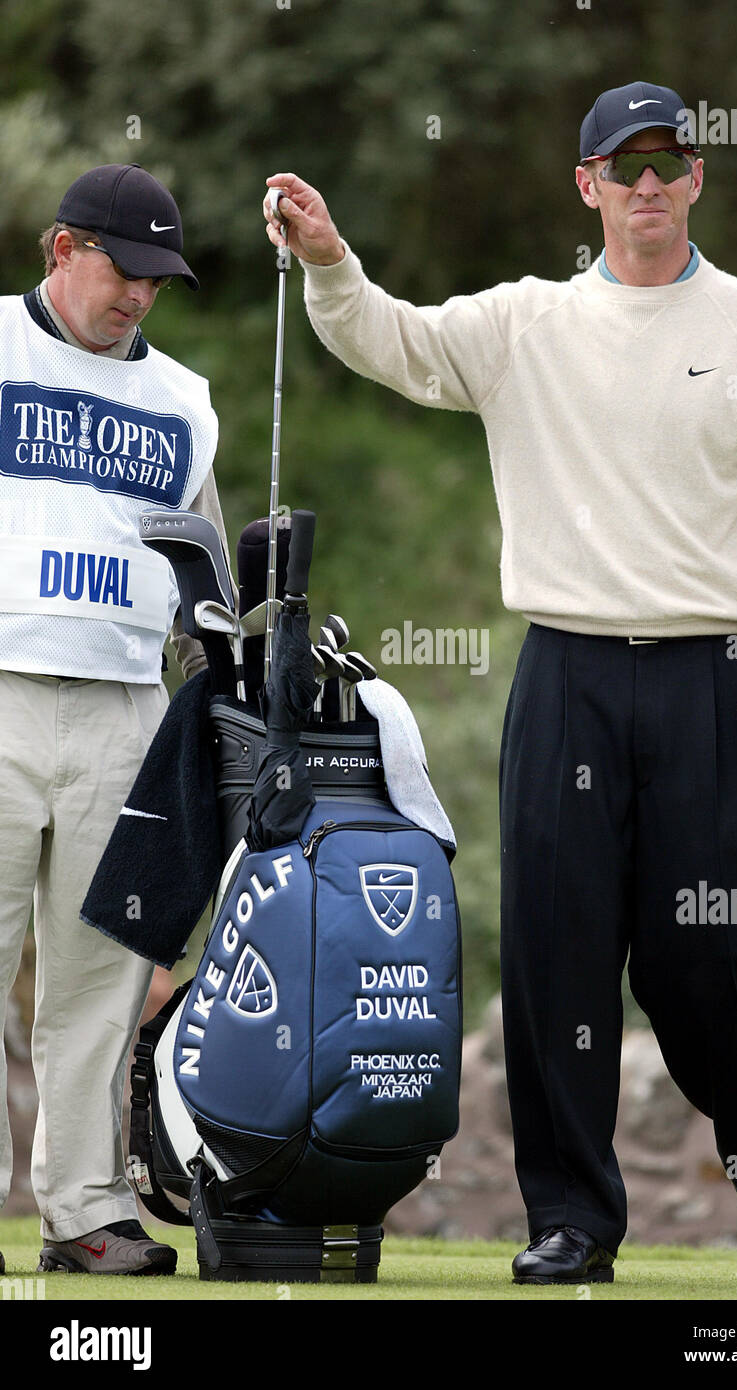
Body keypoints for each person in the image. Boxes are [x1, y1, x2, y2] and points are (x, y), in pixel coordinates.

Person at [261, 79, 737, 1285]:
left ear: (696, 177)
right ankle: (572, 1218)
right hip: (566, 673)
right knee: (555, 954)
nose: (647, 183)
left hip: (717, 680)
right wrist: (326, 260)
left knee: (720, 953)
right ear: (587, 186)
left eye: (666, 161)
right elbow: (390, 338)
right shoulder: (524, 323)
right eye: (623, 166)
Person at [0, 163, 233, 1276]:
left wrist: (225, 691)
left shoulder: (184, 401)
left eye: (157, 280)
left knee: (101, 979)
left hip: (126, 709)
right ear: (64, 250)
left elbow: (203, 579)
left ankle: (86, 1211)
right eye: (123, 270)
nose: (139, 296)